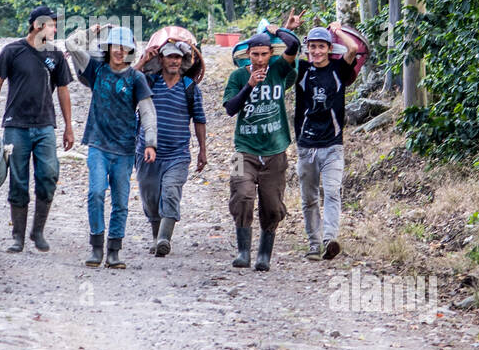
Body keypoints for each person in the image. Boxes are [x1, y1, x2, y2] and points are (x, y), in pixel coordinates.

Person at [0, 6, 74, 253]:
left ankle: (37, 231)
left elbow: (63, 90)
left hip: (44, 126)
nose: (55, 29)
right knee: (18, 180)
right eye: (51, 24)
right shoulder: (12, 51)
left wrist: (68, 127)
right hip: (16, 125)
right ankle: (18, 236)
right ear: (37, 25)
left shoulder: (56, 55)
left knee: (49, 175)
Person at [66, 25, 157, 268]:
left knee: (121, 202)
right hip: (98, 144)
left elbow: (148, 112)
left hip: (125, 150)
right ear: (107, 49)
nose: (119, 51)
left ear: (130, 51)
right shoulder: (96, 70)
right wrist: (91, 32)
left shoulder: (136, 78)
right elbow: (71, 44)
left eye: (124, 48)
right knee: (96, 192)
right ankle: (96, 247)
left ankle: (114, 250)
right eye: (115, 46)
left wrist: (150, 143)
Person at [222, 14, 302, 271]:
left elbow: (293, 47)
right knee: (241, 196)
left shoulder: (279, 69)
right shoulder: (237, 77)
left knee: (272, 205)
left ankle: (264, 255)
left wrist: (277, 30)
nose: (259, 59)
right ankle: (243, 252)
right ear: (248, 55)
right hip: (242, 150)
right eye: (254, 54)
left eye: (263, 54)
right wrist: (248, 85)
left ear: (270, 54)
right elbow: (230, 109)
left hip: (276, 150)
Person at [136, 39, 207, 257]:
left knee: (170, 192)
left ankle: (164, 239)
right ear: (162, 59)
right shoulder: (149, 82)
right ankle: (157, 237)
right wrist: (142, 61)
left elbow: (199, 120)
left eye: (178, 57)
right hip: (146, 152)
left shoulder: (189, 88)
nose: (174, 61)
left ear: (182, 61)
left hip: (177, 154)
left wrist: (203, 150)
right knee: (150, 198)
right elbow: (126, 82)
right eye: (170, 56)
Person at [294, 23, 359, 261]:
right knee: (309, 198)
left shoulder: (338, 69)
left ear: (329, 48)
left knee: (332, 192)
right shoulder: (301, 71)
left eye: (321, 46)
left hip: (333, 145)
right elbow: (286, 54)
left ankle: (329, 239)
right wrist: (289, 30)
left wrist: (338, 30)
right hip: (306, 146)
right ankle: (313, 243)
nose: (317, 51)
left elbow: (352, 49)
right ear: (307, 48)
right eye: (313, 47)